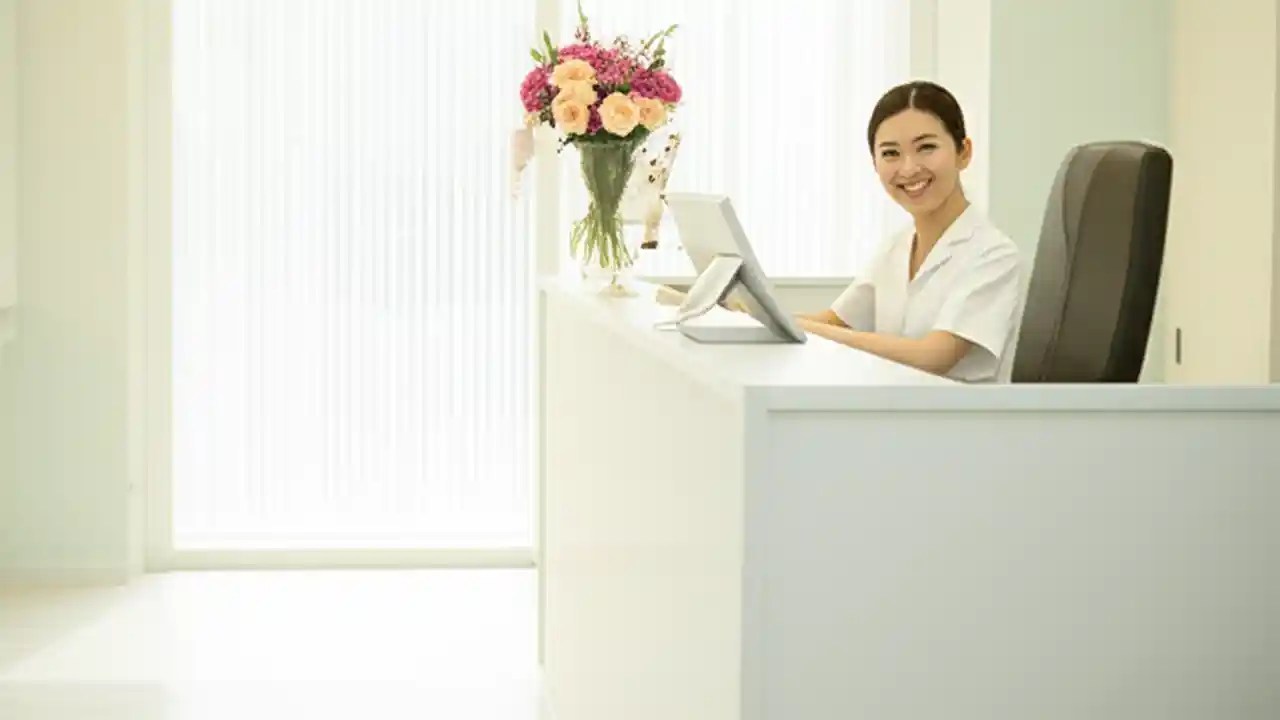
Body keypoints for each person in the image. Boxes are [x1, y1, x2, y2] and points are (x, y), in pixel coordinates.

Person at [797, 81, 1026, 383]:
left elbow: (933, 356)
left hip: (964, 425)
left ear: (963, 152)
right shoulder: (896, 247)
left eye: (926, 148)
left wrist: (817, 333)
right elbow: (835, 321)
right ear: (875, 164)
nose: (908, 168)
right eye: (891, 153)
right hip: (898, 414)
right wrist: (749, 314)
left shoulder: (994, 255)